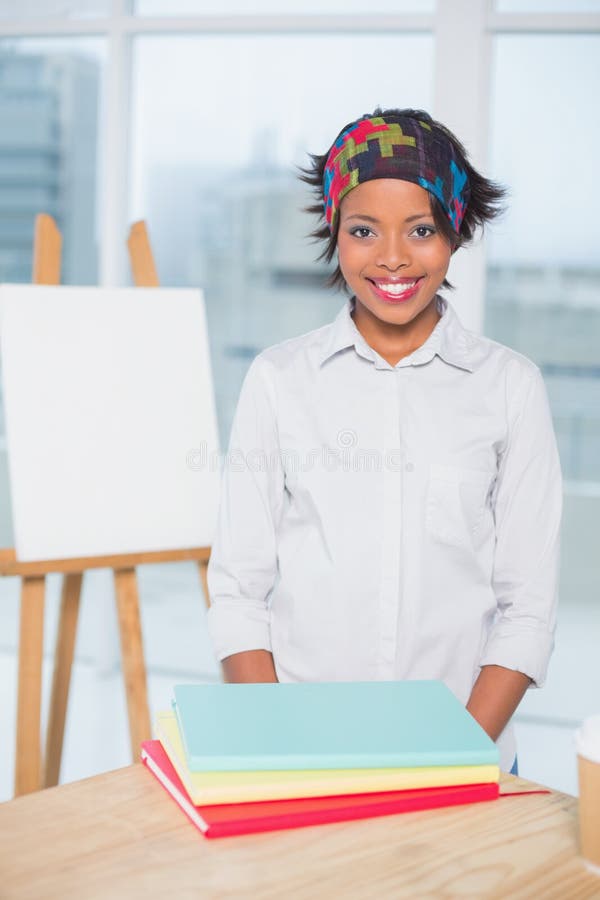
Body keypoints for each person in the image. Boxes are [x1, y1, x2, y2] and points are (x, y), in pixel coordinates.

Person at [206, 108, 563, 772]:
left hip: (468, 751)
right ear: (334, 233)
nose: (393, 257)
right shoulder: (279, 380)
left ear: (454, 236)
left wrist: (454, 755)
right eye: (364, 230)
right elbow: (238, 588)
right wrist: (279, 743)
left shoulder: (511, 388)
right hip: (304, 749)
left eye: (421, 230)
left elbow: (528, 605)